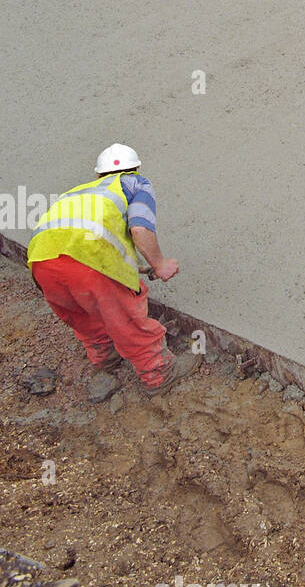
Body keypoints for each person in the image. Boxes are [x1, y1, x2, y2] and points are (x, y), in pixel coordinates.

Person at [26, 145, 202, 398]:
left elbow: (76, 237)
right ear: (136, 169)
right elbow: (140, 229)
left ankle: (105, 356)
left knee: (81, 313)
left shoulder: (74, 193)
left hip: (42, 262)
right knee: (125, 317)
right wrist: (159, 264)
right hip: (88, 263)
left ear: (99, 175)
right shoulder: (135, 185)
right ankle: (159, 374)